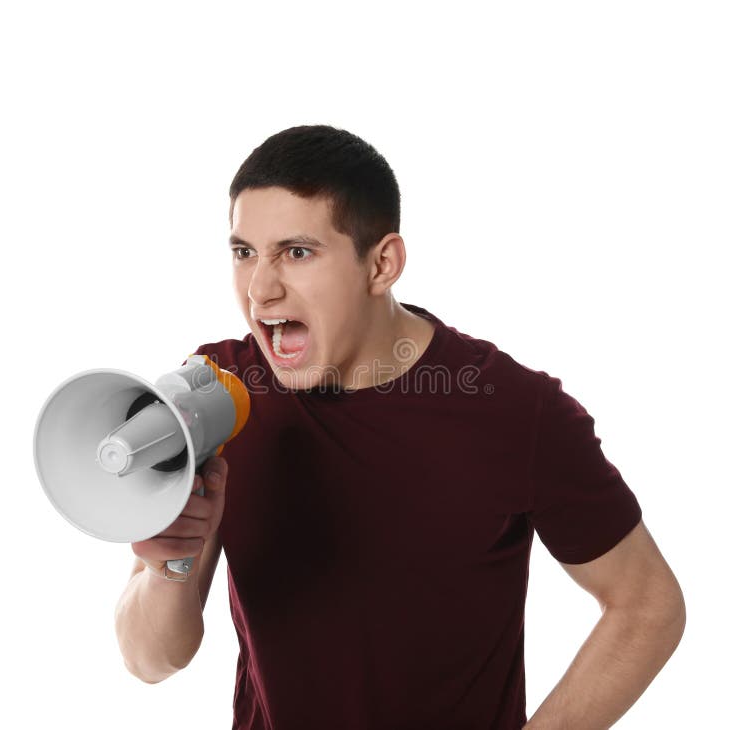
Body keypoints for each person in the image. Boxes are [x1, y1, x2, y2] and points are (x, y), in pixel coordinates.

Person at [114, 125, 686, 729]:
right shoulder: (218, 389)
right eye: (244, 251)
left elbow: (648, 605)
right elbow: (150, 660)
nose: (260, 288)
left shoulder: (513, 409)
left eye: (297, 252)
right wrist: (169, 564)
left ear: (382, 263)